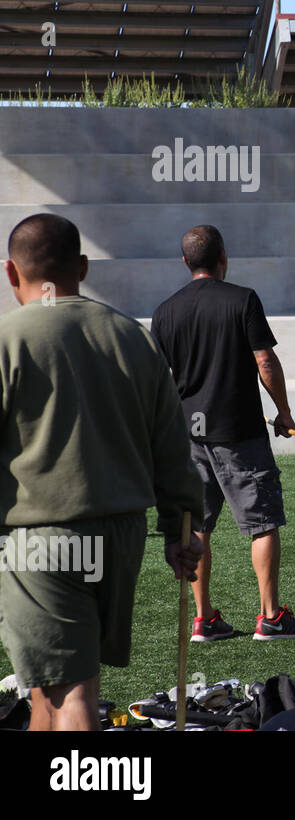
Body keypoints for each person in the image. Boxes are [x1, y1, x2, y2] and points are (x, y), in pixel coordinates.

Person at [0, 213, 203, 730]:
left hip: (40, 540)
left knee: (72, 697)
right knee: (48, 691)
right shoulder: (132, 337)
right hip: (120, 535)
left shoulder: (9, 338)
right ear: (83, 267)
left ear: (10, 272)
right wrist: (181, 523)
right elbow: (171, 444)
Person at [150, 225, 295, 641]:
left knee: (197, 526)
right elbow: (266, 362)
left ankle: (204, 619)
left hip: (188, 434)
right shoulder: (243, 299)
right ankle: (271, 617)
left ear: (184, 262)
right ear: (224, 257)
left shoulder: (165, 311)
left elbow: (156, 381)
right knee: (262, 523)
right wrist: (284, 412)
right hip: (239, 432)